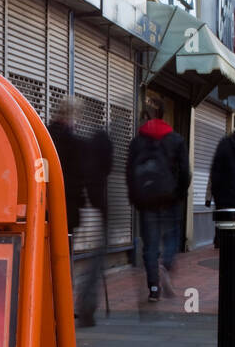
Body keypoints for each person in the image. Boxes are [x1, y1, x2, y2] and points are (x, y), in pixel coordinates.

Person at [126, 100, 191, 302]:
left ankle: (154, 287)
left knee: (150, 245)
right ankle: (168, 263)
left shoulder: (137, 142)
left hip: (146, 201)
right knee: (172, 236)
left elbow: (129, 173)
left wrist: (135, 198)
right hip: (169, 198)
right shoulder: (176, 140)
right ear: (164, 115)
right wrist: (179, 194)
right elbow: (185, 172)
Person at [76, 123, 114, 327]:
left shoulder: (84, 148)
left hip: (84, 205)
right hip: (95, 207)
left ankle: (84, 307)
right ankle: (86, 308)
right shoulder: (97, 164)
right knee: (95, 263)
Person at [48, 95, 86, 239]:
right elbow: (77, 177)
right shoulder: (74, 142)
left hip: (45, 202)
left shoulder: (45, 133)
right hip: (66, 203)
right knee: (64, 245)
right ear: (74, 114)